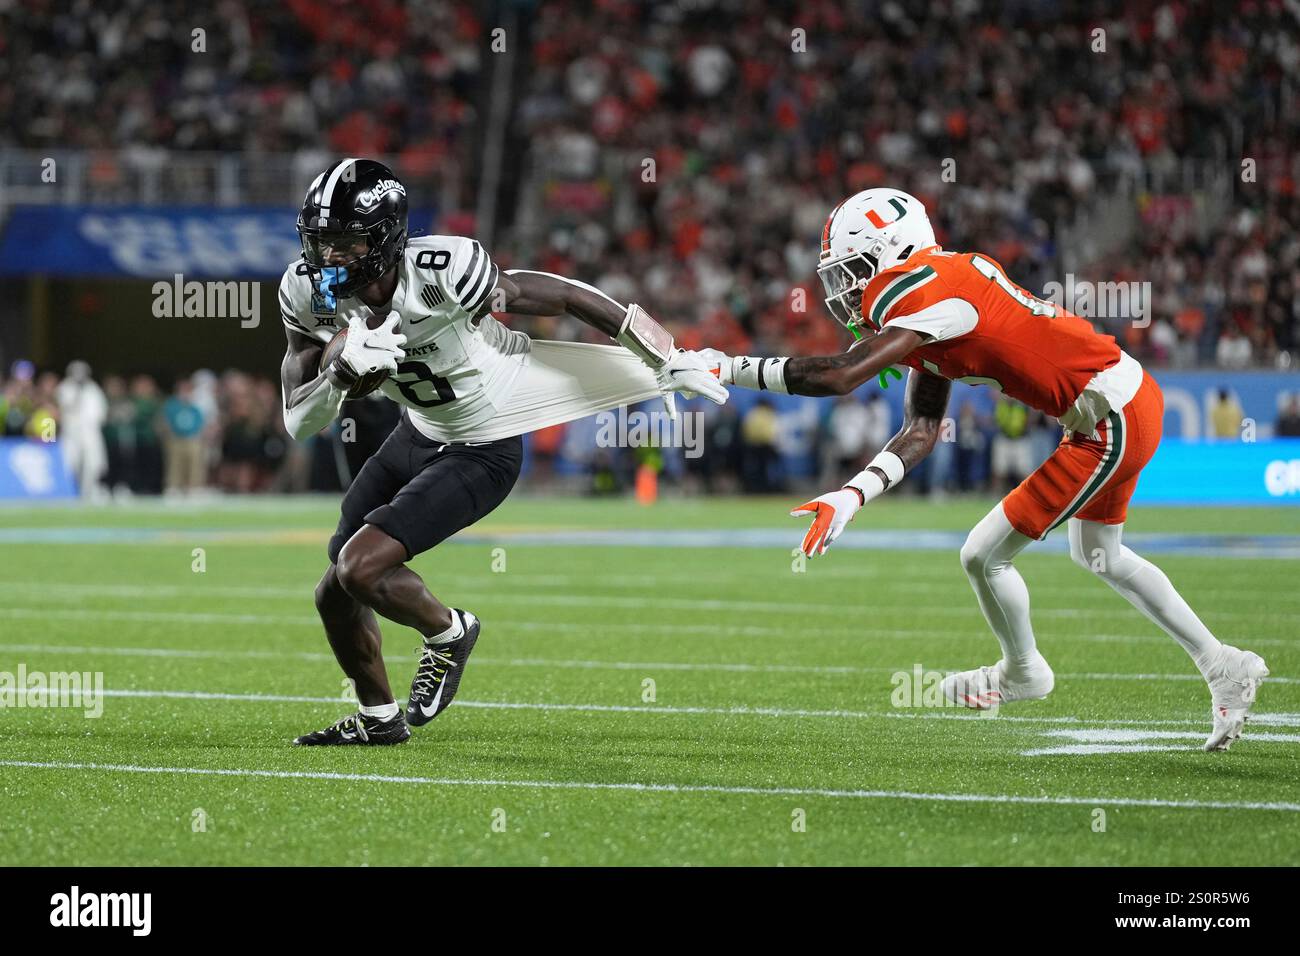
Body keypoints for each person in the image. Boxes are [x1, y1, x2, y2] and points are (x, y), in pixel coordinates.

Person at [704, 187, 1268, 752]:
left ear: (894, 251)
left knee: (981, 554)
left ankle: (1022, 672)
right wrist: (850, 497)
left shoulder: (928, 290)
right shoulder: (931, 314)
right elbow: (921, 431)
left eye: (854, 269)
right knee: (1100, 553)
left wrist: (724, 367)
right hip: (1115, 405)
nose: (846, 291)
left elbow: (838, 376)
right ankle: (1223, 665)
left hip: (1109, 416)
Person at [280, 158, 725, 746]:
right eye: (319, 241)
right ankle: (380, 720)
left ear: (386, 238)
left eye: (345, 242)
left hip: (484, 443)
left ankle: (448, 632)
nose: (329, 258)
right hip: (417, 432)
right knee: (334, 592)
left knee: (361, 567)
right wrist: (337, 377)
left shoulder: (443, 270)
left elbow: (563, 296)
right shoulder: (306, 293)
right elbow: (297, 420)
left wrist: (662, 352)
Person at [54, 361, 108, 500]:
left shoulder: (93, 389)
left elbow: (101, 412)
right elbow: (64, 407)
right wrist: (77, 394)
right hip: (71, 432)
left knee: (94, 462)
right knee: (71, 462)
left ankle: (91, 490)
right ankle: (71, 490)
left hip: (90, 432)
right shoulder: (65, 388)